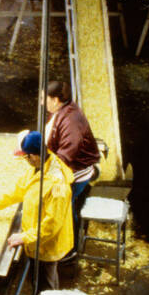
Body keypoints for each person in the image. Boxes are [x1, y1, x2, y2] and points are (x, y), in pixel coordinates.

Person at [0, 130, 73, 292]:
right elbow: (19, 190)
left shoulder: (57, 185)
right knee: (40, 277)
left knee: (46, 281)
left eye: (26, 156)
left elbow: (51, 226)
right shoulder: (38, 168)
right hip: (36, 237)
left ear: (34, 156)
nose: (25, 160)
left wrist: (24, 236)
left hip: (47, 243)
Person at [44, 79, 102, 256]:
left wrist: (45, 173)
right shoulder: (61, 110)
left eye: (43, 98)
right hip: (68, 167)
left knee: (63, 205)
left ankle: (70, 249)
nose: (41, 102)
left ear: (55, 100)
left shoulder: (71, 120)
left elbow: (67, 154)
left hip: (76, 172)